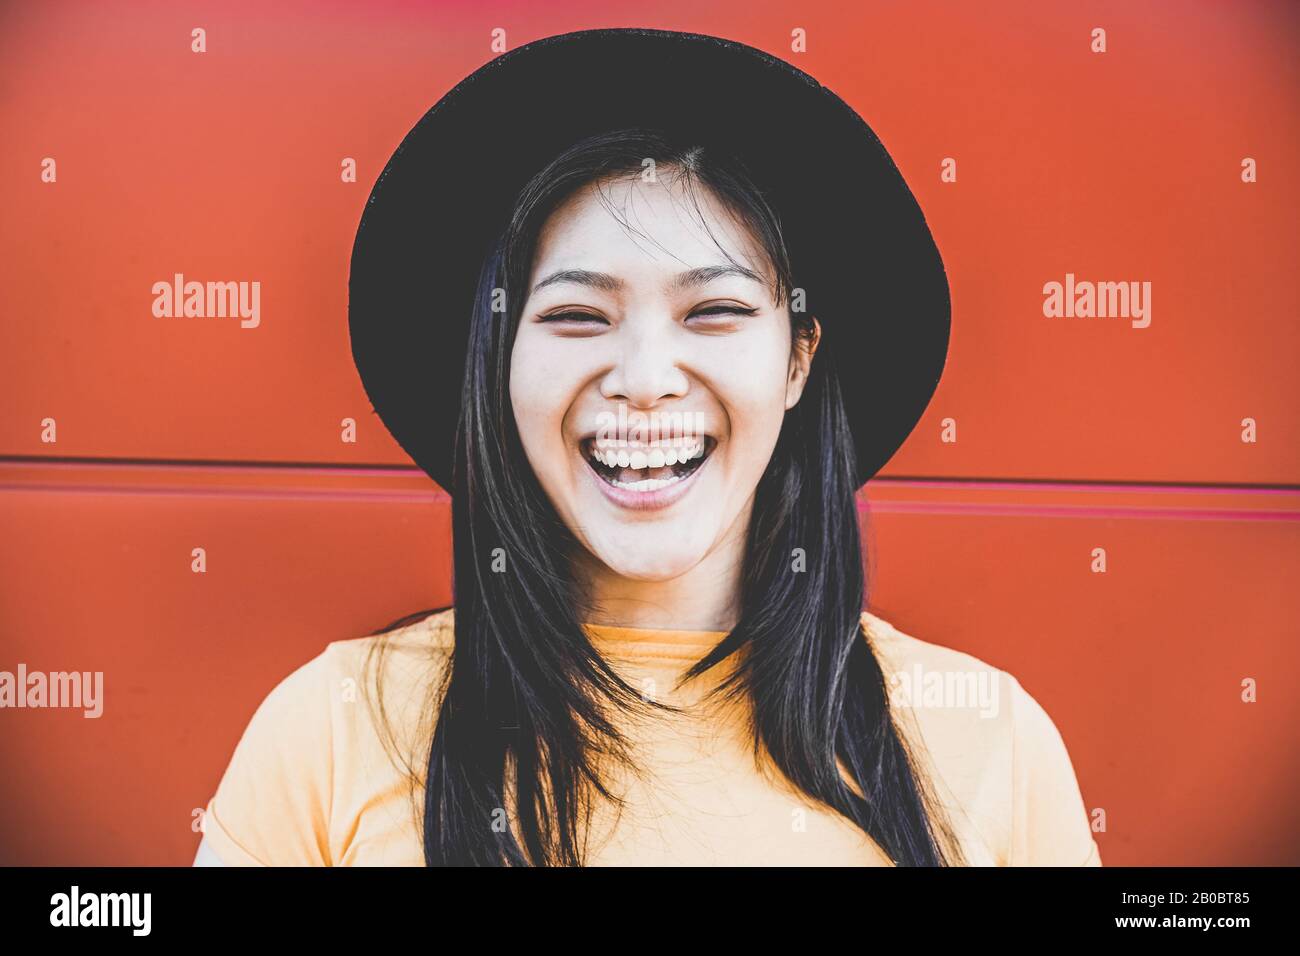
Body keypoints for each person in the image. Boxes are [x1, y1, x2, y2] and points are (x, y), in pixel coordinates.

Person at [195, 28, 1101, 867]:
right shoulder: (332, 731)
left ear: (797, 361)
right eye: (578, 316)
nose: (644, 377)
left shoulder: (991, 742)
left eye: (714, 311)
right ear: (501, 365)